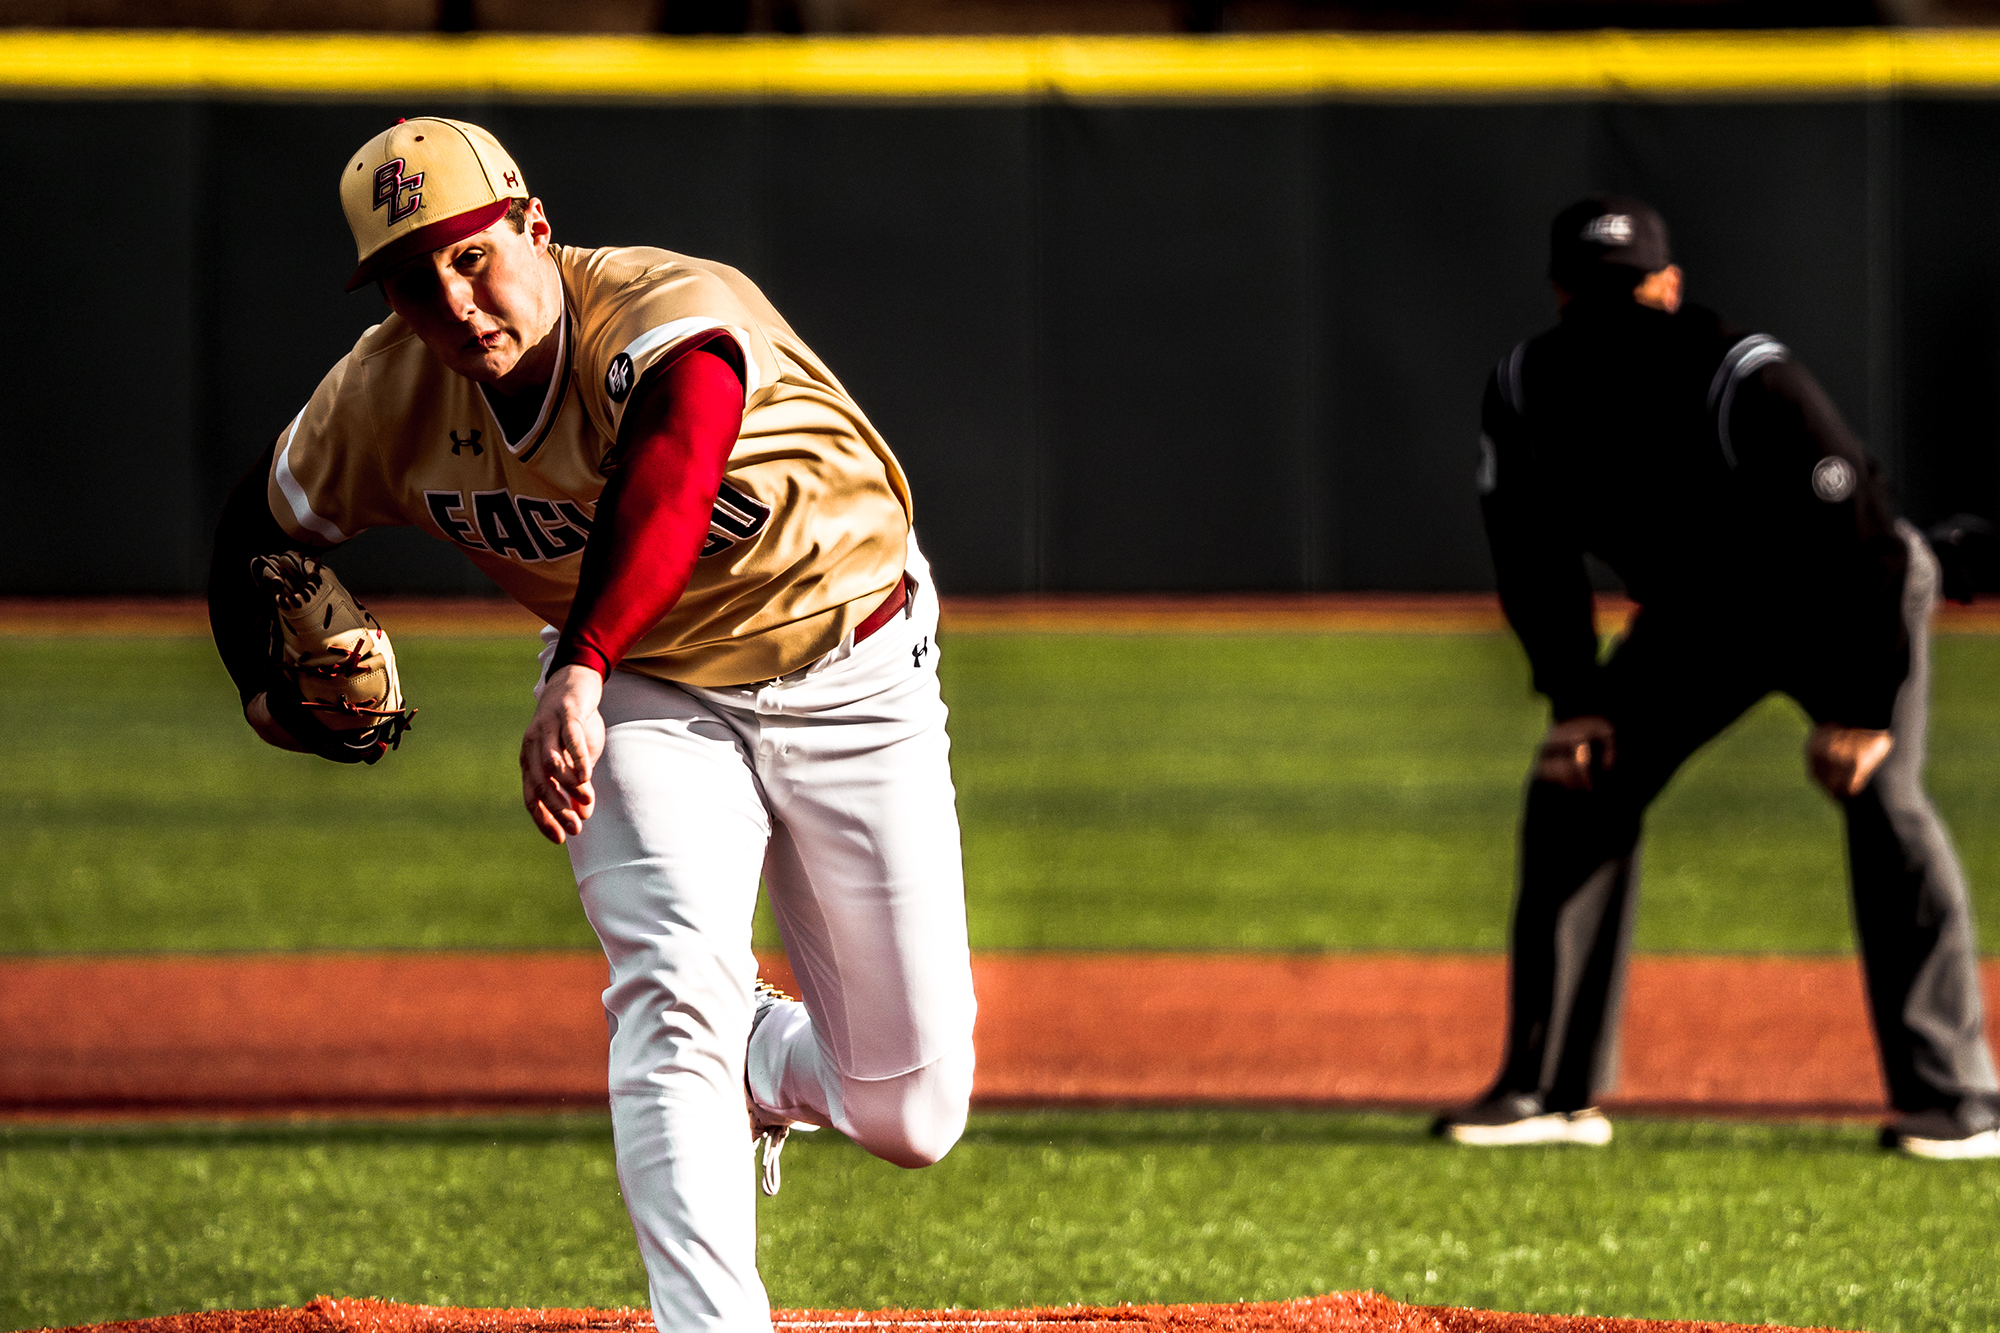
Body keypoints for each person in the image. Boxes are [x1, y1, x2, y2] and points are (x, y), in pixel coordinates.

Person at [206, 118, 978, 1327]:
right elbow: (255, 529)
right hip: (644, 690)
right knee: (669, 989)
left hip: (846, 663)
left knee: (911, 1115)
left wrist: (581, 657)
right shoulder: (383, 394)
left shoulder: (664, 309)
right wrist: (265, 689)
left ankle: (763, 1056)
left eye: (472, 256)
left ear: (534, 227)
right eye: (415, 282)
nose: (454, 301)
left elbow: (673, 464)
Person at [1433, 195, 1999, 1160]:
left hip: (1840, 597)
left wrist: (1863, 709)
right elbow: (1530, 555)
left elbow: (1863, 535)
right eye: (1600, 291)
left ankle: (1960, 1099)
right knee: (1578, 784)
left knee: (1884, 799)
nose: (1616, 307)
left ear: (1667, 289)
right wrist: (1576, 702)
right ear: (1571, 293)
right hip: (1701, 617)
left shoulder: (1744, 375)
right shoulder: (1527, 387)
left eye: (1630, 290)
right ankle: (1550, 1090)